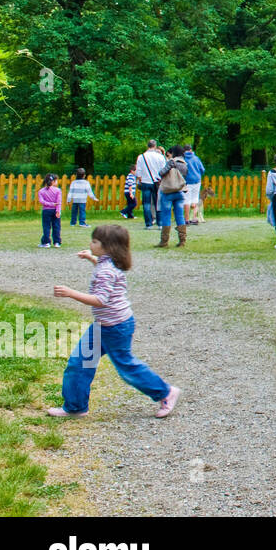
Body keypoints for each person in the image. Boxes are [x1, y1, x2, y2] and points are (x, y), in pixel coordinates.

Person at [48, 224, 180, 419]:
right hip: (103, 326)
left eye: (94, 241)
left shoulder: (106, 271)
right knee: (80, 363)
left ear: (108, 246)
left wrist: (70, 293)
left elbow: (100, 300)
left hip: (115, 328)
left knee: (126, 366)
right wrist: (91, 258)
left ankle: (165, 392)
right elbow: (104, 272)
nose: (90, 243)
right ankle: (75, 407)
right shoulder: (106, 263)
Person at [155, 145, 189, 248]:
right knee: (180, 216)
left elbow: (161, 173)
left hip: (168, 192)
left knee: (166, 215)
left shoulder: (171, 161)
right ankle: (182, 240)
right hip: (180, 192)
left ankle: (164, 241)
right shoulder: (184, 163)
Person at [134, 140, 166, 229]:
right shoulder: (160, 157)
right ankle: (160, 223)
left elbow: (138, 171)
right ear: (155, 146)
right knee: (158, 202)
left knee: (146, 203)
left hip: (145, 181)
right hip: (157, 182)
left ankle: (148, 224)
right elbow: (163, 170)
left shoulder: (141, 157)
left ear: (147, 146)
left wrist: (140, 178)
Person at [182, 144, 205, 225]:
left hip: (187, 181)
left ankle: (187, 219)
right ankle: (194, 218)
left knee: (186, 200)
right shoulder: (196, 158)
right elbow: (202, 170)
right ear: (191, 150)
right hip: (197, 181)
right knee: (195, 199)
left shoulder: (183, 159)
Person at [38, 173, 62, 248]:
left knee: (46, 226)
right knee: (56, 226)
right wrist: (58, 211)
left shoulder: (41, 191)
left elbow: (41, 201)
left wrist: (50, 204)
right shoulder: (58, 190)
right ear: (53, 181)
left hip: (46, 211)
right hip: (55, 211)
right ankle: (57, 242)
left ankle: (46, 242)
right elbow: (59, 202)